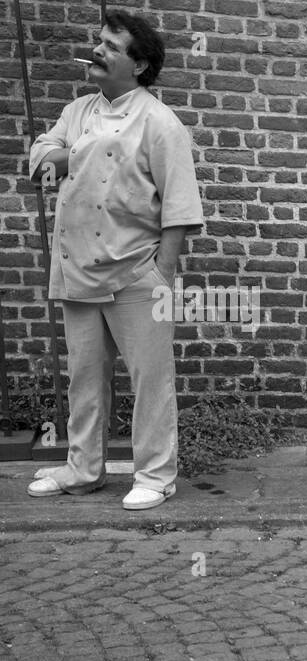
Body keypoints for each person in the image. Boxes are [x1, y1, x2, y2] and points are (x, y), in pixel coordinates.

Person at [27, 10, 203, 509]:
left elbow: (180, 205)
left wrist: (162, 273)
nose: (97, 52)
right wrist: (76, 151)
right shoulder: (79, 110)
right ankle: (82, 470)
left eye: (111, 46)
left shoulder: (159, 122)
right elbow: (40, 155)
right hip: (78, 264)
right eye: (99, 43)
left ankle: (156, 474)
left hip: (135, 270)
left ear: (140, 65)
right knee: (85, 377)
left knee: (150, 379)